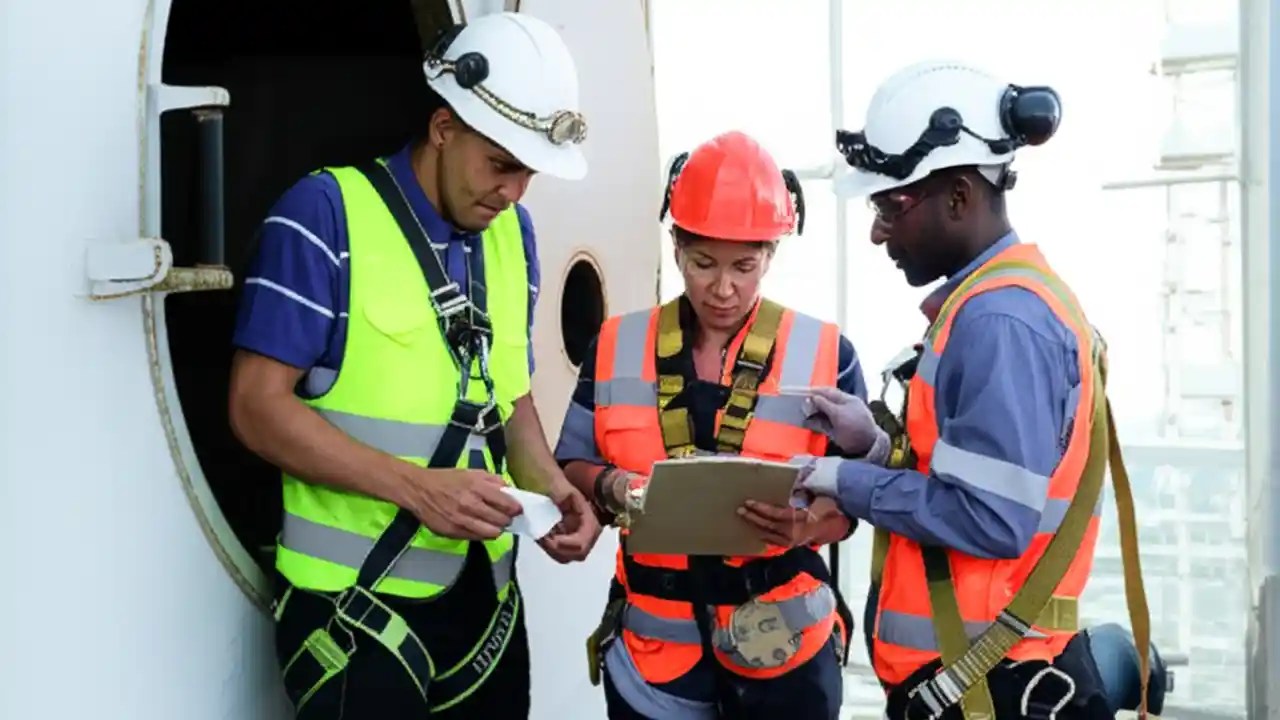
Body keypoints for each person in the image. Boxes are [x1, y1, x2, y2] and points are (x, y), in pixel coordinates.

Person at [226, 13, 599, 720]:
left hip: (484, 615)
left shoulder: (513, 234)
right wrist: (417, 490)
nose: (514, 191)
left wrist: (549, 487)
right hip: (354, 616)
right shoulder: (321, 215)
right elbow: (254, 405)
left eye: (528, 172)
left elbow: (507, 393)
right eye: (500, 163)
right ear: (442, 127)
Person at [788, 60, 1160, 718]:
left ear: (959, 196)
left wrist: (841, 480)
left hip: (991, 684)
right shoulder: (1002, 305)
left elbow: (989, 519)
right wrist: (873, 447)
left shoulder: (999, 324)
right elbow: (979, 482)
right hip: (984, 676)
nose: (878, 231)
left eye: (889, 206)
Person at [553, 130, 870, 720]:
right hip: (652, 654)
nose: (723, 288)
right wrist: (610, 488)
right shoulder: (615, 345)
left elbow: (860, 497)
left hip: (783, 648)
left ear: (771, 255)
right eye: (703, 264)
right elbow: (569, 461)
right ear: (676, 247)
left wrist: (803, 527)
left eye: (745, 266)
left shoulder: (829, 353)